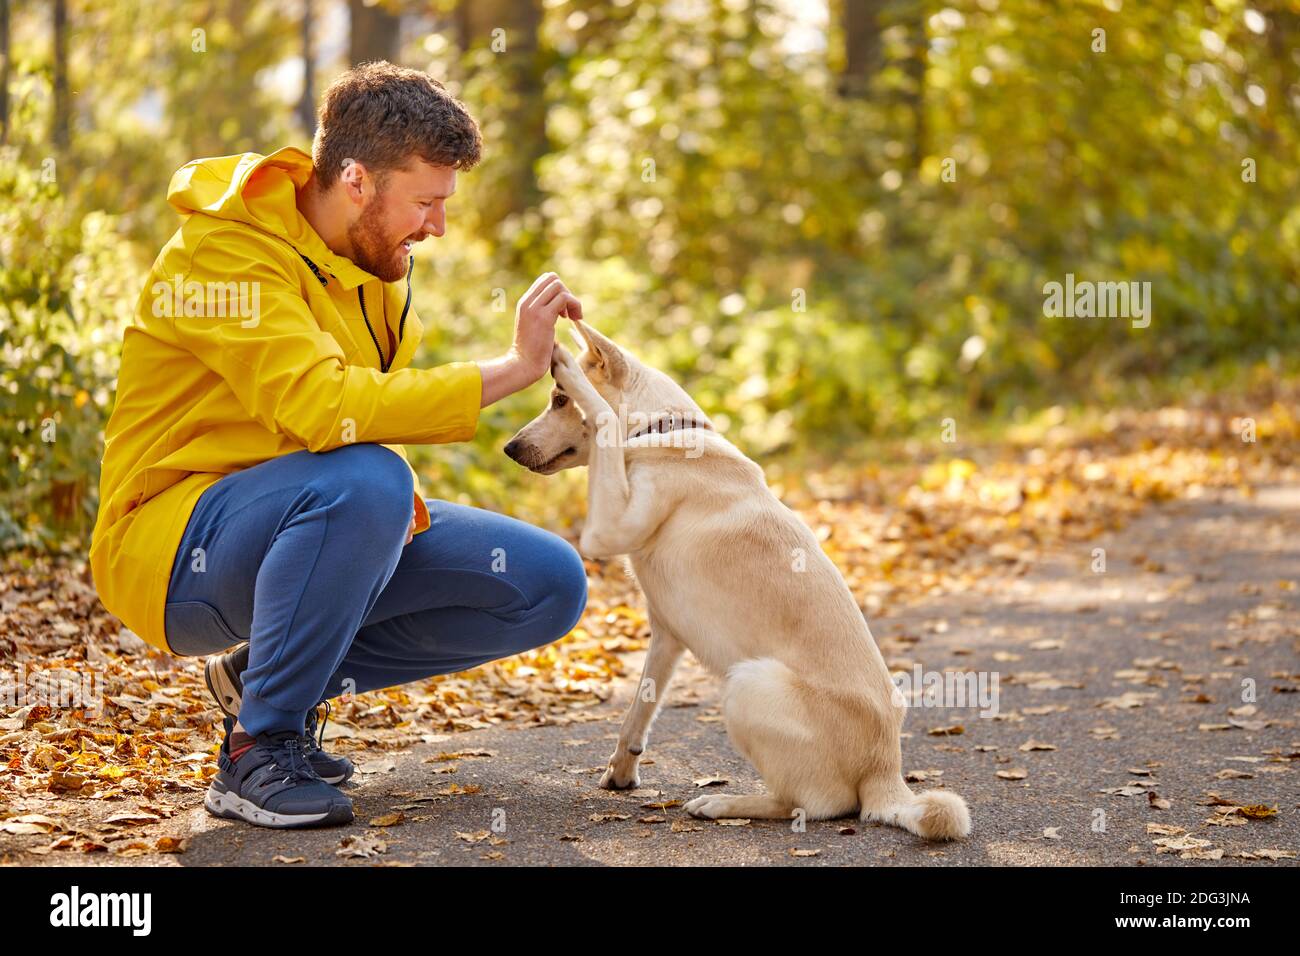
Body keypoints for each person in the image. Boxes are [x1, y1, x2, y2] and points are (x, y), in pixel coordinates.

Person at [90, 61, 589, 829]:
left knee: (546, 582)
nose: (438, 227)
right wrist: (514, 369)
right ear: (355, 179)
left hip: (306, 520)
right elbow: (323, 411)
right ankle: (258, 749)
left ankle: (263, 680)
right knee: (369, 480)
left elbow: (354, 423)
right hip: (174, 546)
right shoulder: (224, 254)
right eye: (425, 202)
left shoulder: (369, 263)